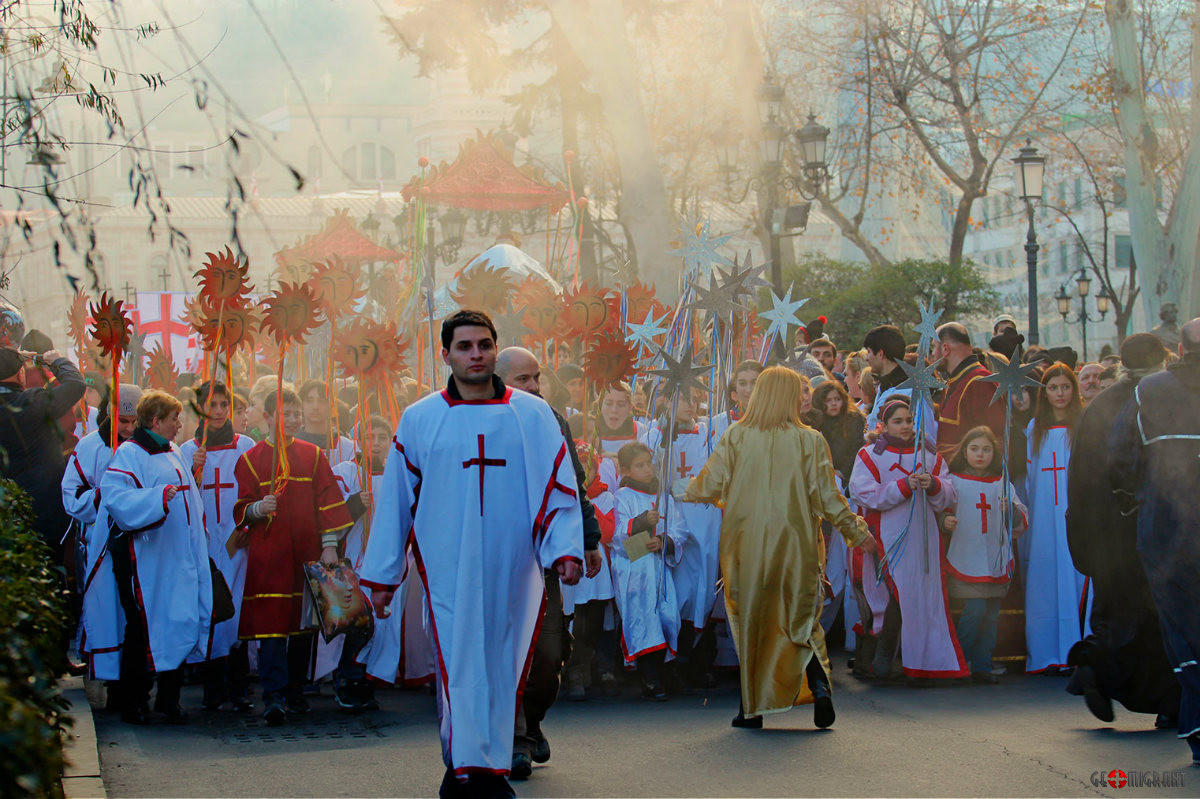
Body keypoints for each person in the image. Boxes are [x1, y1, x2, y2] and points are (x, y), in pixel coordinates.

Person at [357, 310, 582, 798]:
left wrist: (565, 548)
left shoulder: (532, 414)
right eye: (465, 346)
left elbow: (560, 486)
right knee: (460, 666)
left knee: (504, 664)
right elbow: (396, 500)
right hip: (449, 567)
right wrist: (381, 578)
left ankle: (477, 766)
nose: (475, 354)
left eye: (484, 344)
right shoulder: (421, 419)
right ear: (447, 355)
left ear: (494, 349)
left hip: (515, 566)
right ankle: (472, 769)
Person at [684, 366, 872, 729]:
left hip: (745, 546)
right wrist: (854, 529)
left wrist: (676, 487)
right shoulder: (810, 440)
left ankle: (751, 709)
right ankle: (819, 687)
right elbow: (827, 497)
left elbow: (708, 485)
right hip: (796, 544)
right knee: (799, 620)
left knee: (753, 621)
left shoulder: (736, 436)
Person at [494, 345, 603, 780]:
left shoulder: (553, 420)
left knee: (549, 652)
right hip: (499, 558)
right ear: (499, 379)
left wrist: (588, 540)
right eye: (524, 379)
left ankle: (533, 722)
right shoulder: (479, 418)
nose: (535, 386)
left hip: (543, 557)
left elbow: (572, 483)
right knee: (511, 652)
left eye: (537, 377)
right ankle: (516, 741)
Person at [1065, 333, 1179, 727]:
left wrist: (1080, 533)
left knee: (1113, 610)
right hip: (1147, 526)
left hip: (1102, 532)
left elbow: (1077, 474)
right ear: (1164, 360)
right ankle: (1171, 703)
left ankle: (1095, 664)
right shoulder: (1156, 402)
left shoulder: (1099, 406)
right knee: (1157, 617)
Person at [232, 387, 353, 726]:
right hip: (270, 556)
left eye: (296, 413)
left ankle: (296, 690)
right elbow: (240, 510)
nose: (294, 419)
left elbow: (328, 502)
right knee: (272, 625)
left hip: (307, 553)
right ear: (269, 417)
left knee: (303, 625)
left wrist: (329, 543)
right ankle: (273, 695)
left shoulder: (313, 455)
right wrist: (258, 507)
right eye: (286, 413)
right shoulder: (250, 459)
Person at [1110, 318, 1200, 763]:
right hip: (1173, 519)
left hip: (1166, 525)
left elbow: (1122, 456)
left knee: (1182, 623)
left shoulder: (1150, 391)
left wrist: (1132, 500)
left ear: (1179, 350)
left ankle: (1199, 721)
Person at [100, 390, 212, 724]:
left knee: (177, 619)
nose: (179, 425)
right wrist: (158, 498)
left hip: (178, 558)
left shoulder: (174, 451)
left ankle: (169, 698)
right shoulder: (129, 455)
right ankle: (135, 701)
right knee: (142, 628)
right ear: (156, 421)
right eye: (174, 418)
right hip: (145, 561)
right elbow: (117, 501)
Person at [849, 397, 966, 683]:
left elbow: (950, 494)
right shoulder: (869, 454)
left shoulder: (929, 455)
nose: (904, 427)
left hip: (924, 538)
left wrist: (934, 485)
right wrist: (903, 486)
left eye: (908, 421)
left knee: (921, 600)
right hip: (887, 538)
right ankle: (881, 661)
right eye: (897, 421)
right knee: (895, 598)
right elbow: (862, 492)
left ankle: (918, 662)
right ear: (884, 424)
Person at [179, 381, 256, 712]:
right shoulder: (185, 451)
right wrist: (194, 471)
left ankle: (238, 687)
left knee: (236, 610)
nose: (220, 411)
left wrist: (246, 527)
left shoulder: (246, 445)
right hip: (206, 541)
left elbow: (253, 489)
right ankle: (213, 686)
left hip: (237, 538)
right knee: (211, 608)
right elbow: (182, 498)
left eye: (225, 404)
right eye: (213, 405)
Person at [62, 383, 141, 686]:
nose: (129, 428)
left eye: (135, 422)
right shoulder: (91, 445)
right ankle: (111, 677)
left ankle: (136, 680)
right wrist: (100, 499)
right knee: (107, 608)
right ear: (110, 414)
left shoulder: (145, 447)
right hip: (102, 544)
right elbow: (71, 493)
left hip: (139, 543)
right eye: (124, 421)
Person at [941, 426, 1027, 684]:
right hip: (966, 554)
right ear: (965, 451)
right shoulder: (953, 481)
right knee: (974, 611)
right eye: (975, 449)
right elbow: (939, 509)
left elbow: (1021, 517)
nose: (980, 455)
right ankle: (962, 662)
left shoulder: (1002, 482)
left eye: (986, 449)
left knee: (991, 614)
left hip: (995, 555)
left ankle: (982, 664)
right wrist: (946, 520)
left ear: (994, 453)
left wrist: (1010, 509)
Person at [652, 393, 722, 691]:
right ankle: (673, 662)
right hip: (673, 513)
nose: (690, 405)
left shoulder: (707, 432)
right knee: (678, 590)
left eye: (694, 398)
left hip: (705, 517)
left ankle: (699, 659)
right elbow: (651, 471)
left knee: (704, 588)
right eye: (682, 398)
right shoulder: (655, 434)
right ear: (667, 400)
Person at [1024, 362, 1087, 674]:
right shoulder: (1035, 430)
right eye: (1053, 387)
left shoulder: (1084, 425)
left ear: (1073, 390)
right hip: (1044, 520)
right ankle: (1048, 652)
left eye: (1065, 387)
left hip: (1075, 514)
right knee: (1047, 580)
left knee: (1076, 577)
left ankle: (1082, 653)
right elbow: (1030, 480)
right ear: (1044, 393)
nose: (1060, 393)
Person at [611, 441, 681, 701]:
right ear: (627, 471)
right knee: (644, 620)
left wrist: (664, 542)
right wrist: (641, 523)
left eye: (649, 463)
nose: (647, 469)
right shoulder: (622, 497)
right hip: (636, 572)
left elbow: (679, 528)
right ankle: (649, 676)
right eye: (640, 466)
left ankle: (667, 669)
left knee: (667, 615)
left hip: (659, 568)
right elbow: (618, 540)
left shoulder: (663, 496)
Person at [0, 346, 85, 548]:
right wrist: (57, 361)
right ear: (20, 374)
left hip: (5, 514)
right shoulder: (33, 403)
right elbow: (75, 384)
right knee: (51, 573)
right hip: (44, 513)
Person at [934, 322, 1003, 457]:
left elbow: (992, 440)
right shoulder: (955, 381)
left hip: (970, 476)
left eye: (934, 347)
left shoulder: (980, 382)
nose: (932, 354)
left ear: (945, 349)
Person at [809, 380, 866, 482]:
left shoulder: (854, 420)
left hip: (851, 476)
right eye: (828, 400)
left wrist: (842, 472)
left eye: (837, 399)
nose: (834, 404)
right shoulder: (815, 423)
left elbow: (855, 449)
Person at [297, 379, 356, 466]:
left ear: (330, 405)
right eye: (309, 401)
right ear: (301, 405)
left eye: (321, 401)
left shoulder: (347, 448)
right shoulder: (289, 445)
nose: (315, 406)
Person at [709, 359, 763, 446]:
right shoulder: (720, 422)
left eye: (754, 382)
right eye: (742, 383)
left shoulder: (774, 421)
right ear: (736, 387)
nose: (748, 390)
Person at [594, 382, 646, 455]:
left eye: (621, 405)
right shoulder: (591, 429)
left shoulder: (640, 430)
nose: (614, 410)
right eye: (609, 403)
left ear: (630, 408)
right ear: (600, 405)